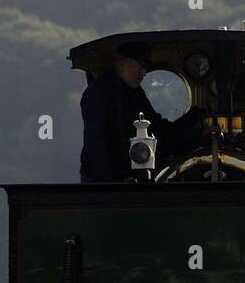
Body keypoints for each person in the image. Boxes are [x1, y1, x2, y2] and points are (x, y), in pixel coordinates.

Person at [80, 41, 189, 182]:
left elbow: (156, 127)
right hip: (102, 180)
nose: (144, 73)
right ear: (121, 63)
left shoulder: (135, 93)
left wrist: (191, 127)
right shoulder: (97, 93)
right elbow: (97, 143)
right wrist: (113, 182)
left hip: (129, 175)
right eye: (141, 66)